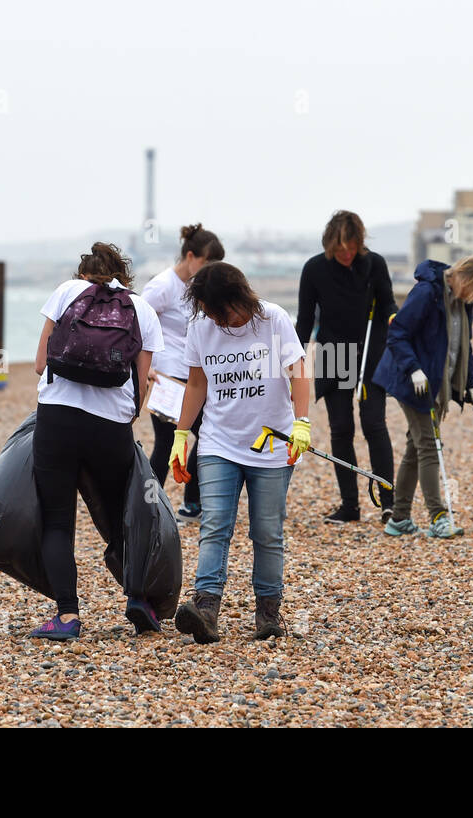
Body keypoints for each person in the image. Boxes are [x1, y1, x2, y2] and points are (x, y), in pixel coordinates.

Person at [168, 261, 310, 644]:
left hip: (271, 445)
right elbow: (196, 384)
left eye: (223, 311)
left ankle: (268, 613)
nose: (219, 321)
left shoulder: (274, 320)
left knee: (266, 532)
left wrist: (302, 422)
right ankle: (206, 608)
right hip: (219, 443)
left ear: (240, 298)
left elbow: (299, 372)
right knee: (214, 525)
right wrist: (181, 435)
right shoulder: (201, 327)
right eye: (210, 313)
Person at [28, 242, 164, 641]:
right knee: (121, 516)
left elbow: (40, 364)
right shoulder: (142, 310)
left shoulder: (66, 292)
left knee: (57, 518)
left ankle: (67, 617)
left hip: (58, 420)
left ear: (84, 274)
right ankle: (139, 599)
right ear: (123, 274)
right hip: (110, 426)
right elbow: (141, 384)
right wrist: (127, 417)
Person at [373, 254, 473, 538]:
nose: (471, 296)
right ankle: (438, 516)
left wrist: (470, 384)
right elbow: (398, 333)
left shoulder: (462, 302)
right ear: (464, 275)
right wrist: (414, 369)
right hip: (412, 380)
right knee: (429, 445)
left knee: (416, 449)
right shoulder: (428, 291)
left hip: (437, 384)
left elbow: (463, 346)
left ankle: (399, 519)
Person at [294, 210, 397, 525]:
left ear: (360, 243)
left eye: (352, 247)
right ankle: (350, 505)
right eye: (340, 249)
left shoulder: (374, 264)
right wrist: (293, 359)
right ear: (329, 245)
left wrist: (396, 320)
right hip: (333, 351)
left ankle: (389, 504)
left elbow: (388, 304)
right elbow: (305, 320)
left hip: (371, 350)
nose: (347, 253)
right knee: (341, 429)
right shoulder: (314, 269)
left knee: (374, 424)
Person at [141, 224, 224, 524]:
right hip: (166, 377)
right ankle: (146, 505)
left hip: (197, 377)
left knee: (209, 436)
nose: (210, 271)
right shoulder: (163, 285)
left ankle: (191, 503)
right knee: (166, 443)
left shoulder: (203, 288)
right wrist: (145, 367)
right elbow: (137, 324)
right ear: (191, 256)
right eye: (206, 264)